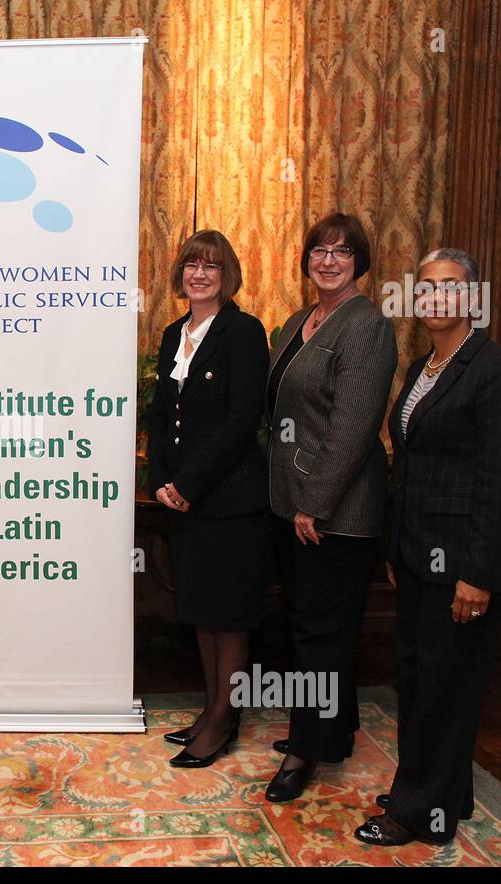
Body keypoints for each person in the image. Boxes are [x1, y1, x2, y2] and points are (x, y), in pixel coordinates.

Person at [356, 248, 501, 846]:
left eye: (449, 287)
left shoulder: (498, 371)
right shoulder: (422, 369)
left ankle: (416, 813)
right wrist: (395, 545)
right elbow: (409, 465)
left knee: (444, 690)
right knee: (422, 679)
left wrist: (477, 575)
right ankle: (443, 792)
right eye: (425, 288)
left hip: (464, 565)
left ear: (473, 300)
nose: (435, 297)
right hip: (417, 556)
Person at [265, 212, 398, 802]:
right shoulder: (299, 321)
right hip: (292, 502)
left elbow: (353, 426)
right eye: (319, 250)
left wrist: (315, 505)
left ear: (359, 262)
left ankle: (305, 749)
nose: (328, 260)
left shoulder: (367, 326)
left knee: (321, 631)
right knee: (306, 622)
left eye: (342, 253)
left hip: (336, 512)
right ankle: (333, 726)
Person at [145, 230, 270, 768]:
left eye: (211, 266)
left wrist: (188, 484)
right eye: (192, 265)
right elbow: (160, 415)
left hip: (230, 500)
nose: (200, 274)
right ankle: (212, 706)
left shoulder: (244, 332)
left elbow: (243, 420)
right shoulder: (175, 333)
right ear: (181, 274)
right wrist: (159, 481)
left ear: (227, 275)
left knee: (229, 616)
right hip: (182, 500)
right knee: (198, 610)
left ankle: (223, 719)